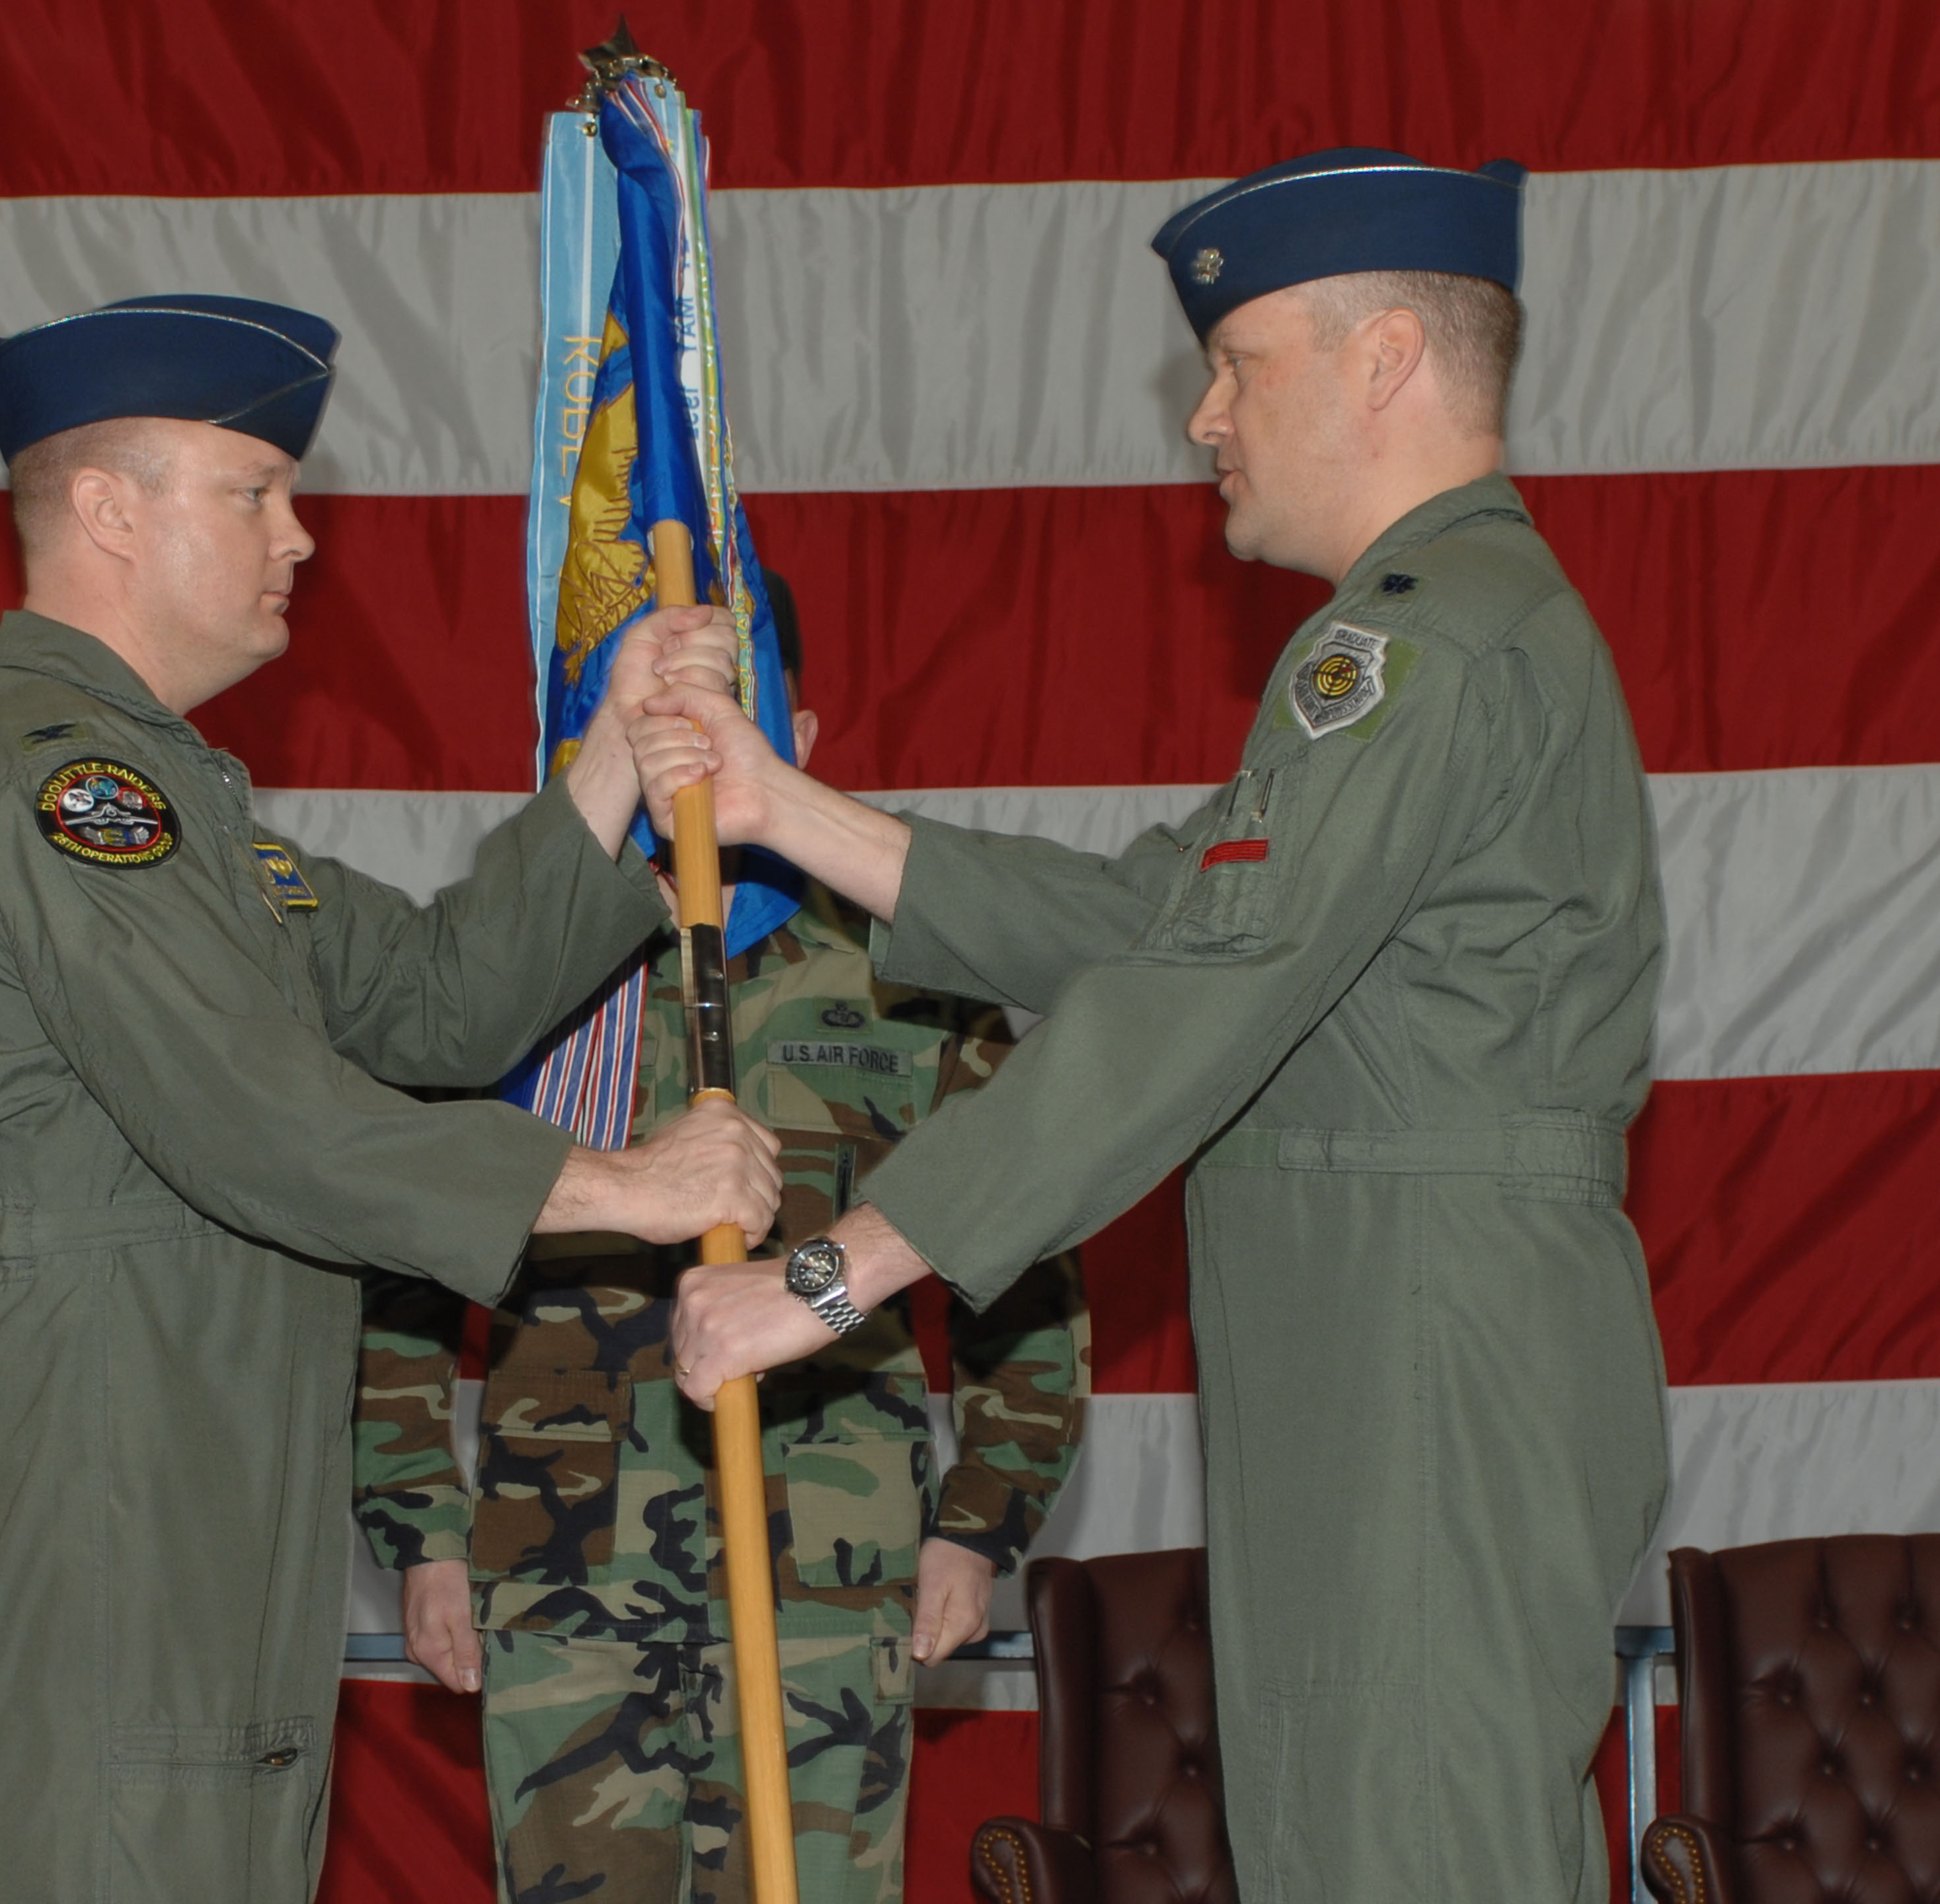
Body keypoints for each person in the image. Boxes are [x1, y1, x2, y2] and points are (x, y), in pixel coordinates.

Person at [635, 153, 1670, 1904]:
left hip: (1420, 1346)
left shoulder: (1423, 647)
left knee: (1410, 1848)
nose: (1204, 416)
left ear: (1384, 359)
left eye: (1237, 363)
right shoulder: (1436, 633)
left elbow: (1202, 989)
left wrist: (837, 1275)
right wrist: (781, 808)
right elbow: (1156, 920)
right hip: (1395, 1332)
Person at [0, 293, 783, 1904]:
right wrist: (620, 1188)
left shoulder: (186, 803)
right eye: (255, 492)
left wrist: (615, 748)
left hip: (213, 1417)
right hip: (115, 1426)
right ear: (110, 509)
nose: (298, 536)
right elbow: (259, 1120)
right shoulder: (65, 788)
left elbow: (438, 997)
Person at [354, 573, 1089, 1904]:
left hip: (830, 1572)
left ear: (794, 729)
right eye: (655, 712)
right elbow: (407, 1255)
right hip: (563, 1576)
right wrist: (424, 1533)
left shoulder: (908, 968)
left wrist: (980, 1525)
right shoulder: (509, 972)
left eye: (725, 710)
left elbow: (1015, 1257)